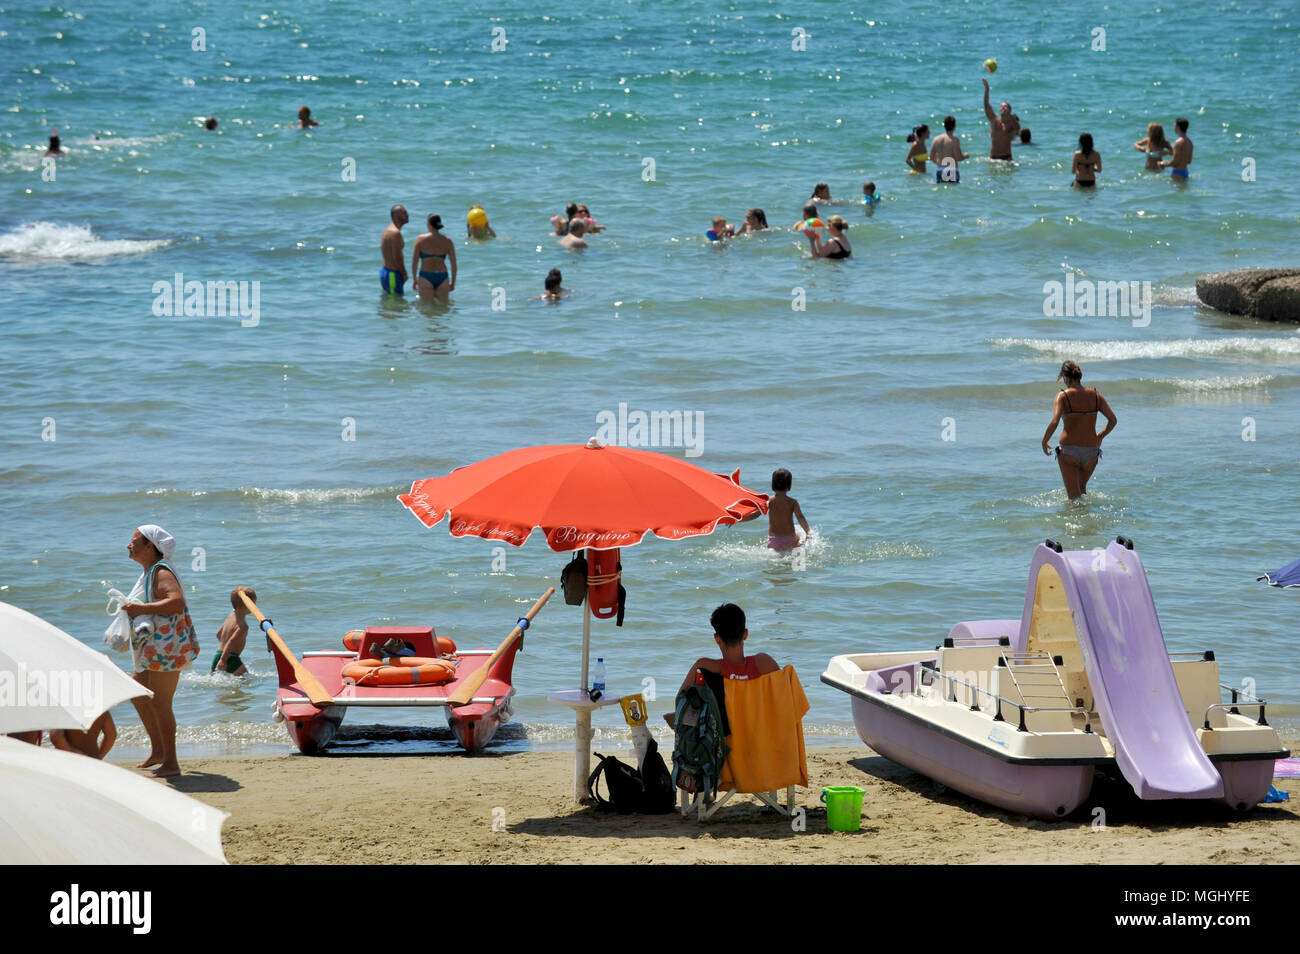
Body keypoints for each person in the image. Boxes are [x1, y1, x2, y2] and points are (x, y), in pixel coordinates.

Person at [122, 525, 199, 777]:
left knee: (161, 705)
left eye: (134, 541)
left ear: (150, 546)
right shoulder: (150, 571)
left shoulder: (161, 571)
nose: (128, 545)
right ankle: (158, 752)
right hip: (156, 646)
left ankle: (172, 763)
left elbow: (177, 602)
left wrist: (139, 610)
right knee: (138, 692)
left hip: (168, 647)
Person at [1040, 361, 1117, 500]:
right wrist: (1101, 436)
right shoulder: (1095, 395)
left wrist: (1044, 441)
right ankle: (1088, 520)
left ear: (1066, 377)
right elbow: (1113, 420)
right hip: (1091, 452)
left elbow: (1055, 421)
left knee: (1074, 498)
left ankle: (1079, 521)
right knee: (1082, 492)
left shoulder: (1063, 396)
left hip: (1068, 452)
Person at [677, 604, 780, 696]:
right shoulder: (765, 664)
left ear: (717, 638)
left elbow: (680, 701)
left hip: (725, 718)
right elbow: (785, 697)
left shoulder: (705, 667)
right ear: (745, 634)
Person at [212, 587, 256, 676]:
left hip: (218, 654)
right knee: (246, 680)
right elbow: (231, 642)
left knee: (212, 679)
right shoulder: (243, 626)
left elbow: (218, 634)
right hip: (230, 657)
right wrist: (223, 660)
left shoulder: (230, 617)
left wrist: (221, 654)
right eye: (254, 604)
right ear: (247, 605)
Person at [411, 214, 456, 300]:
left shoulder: (420, 239)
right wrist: (453, 282)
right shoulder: (448, 241)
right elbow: (453, 264)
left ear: (429, 225)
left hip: (425, 276)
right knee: (442, 309)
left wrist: (414, 279)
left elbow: (414, 261)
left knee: (426, 309)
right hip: (442, 277)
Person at [766, 468, 811, 549]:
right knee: (800, 535)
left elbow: (757, 512)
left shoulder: (768, 501)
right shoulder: (792, 502)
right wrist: (808, 531)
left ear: (773, 484)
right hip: (790, 539)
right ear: (789, 485)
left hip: (774, 540)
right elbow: (800, 517)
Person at [49, 711, 117, 759]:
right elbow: (111, 735)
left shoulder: (66, 706)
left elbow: (56, 736)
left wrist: (71, 751)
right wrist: (98, 758)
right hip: (93, 759)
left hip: (70, 760)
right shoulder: (100, 707)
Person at [982, 78, 1020, 161]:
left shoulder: (1011, 124)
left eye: (1005, 106)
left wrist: (1009, 116)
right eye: (1001, 106)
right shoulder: (994, 120)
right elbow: (986, 105)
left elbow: (1018, 128)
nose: (1003, 107)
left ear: (1009, 110)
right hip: (993, 157)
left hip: (1006, 158)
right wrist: (987, 89)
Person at [929, 115, 970, 183]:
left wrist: (938, 163)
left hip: (940, 170)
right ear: (954, 126)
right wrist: (965, 156)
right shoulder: (954, 140)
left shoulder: (936, 139)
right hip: (951, 170)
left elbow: (931, 157)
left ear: (944, 126)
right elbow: (959, 158)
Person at [380, 204, 408, 294]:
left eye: (406, 212)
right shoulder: (395, 233)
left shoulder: (389, 229)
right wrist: (404, 274)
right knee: (395, 305)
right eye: (404, 213)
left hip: (386, 271)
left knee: (390, 302)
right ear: (395, 216)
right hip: (393, 274)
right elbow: (397, 257)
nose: (407, 215)